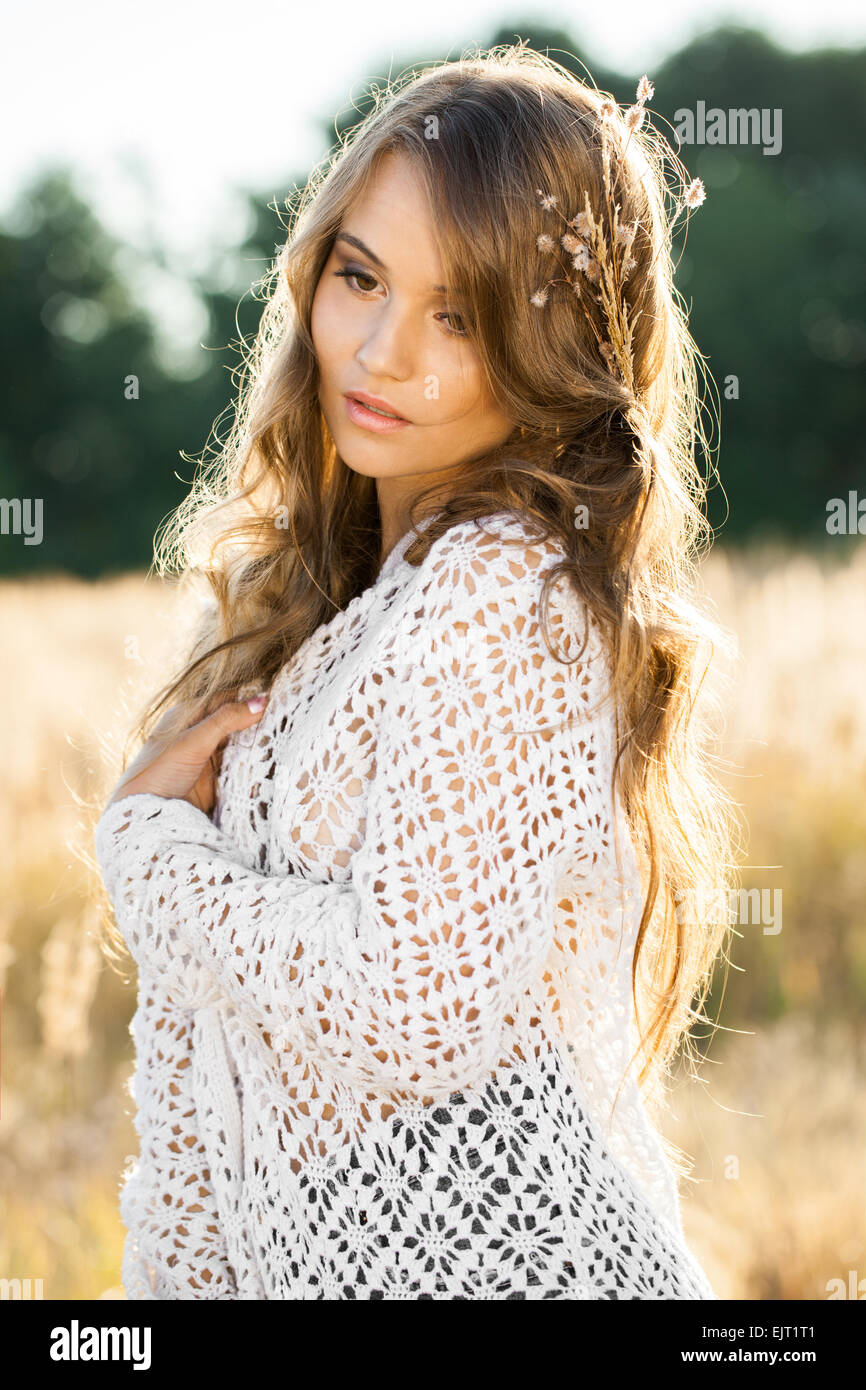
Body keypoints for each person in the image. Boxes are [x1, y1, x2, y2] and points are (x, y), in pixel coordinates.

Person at [94, 43, 736, 1299]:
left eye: (459, 316)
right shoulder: (321, 606)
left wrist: (149, 857)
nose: (381, 353)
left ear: (554, 350)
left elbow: (407, 1006)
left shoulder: (500, 583)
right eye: (360, 277)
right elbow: (204, 1075)